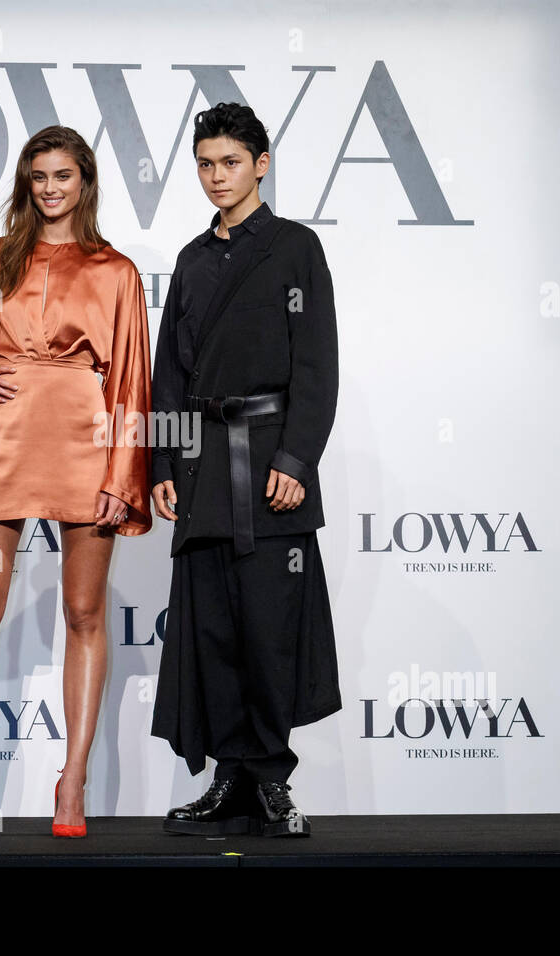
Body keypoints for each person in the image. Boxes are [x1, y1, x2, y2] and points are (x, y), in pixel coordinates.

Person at [0, 126, 153, 839]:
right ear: (26, 184)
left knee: (84, 614)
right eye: (39, 176)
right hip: (9, 446)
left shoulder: (117, 272)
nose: (50, 188)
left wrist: (124, 475)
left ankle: (71, 783)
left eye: (63, 176)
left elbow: (132, 383)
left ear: (85, 183)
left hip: (85, 447)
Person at [149, 102, 340, 837]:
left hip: (268, 465)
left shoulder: (295, 249)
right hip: (200, 467)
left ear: (261, 164)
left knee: (269, 627)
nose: (216, 176)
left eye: (230, 162)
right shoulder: (193, 260)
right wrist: (164, 458)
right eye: (205, 164)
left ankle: (268, 782)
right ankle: (229, 779)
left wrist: (295, 457)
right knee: (213, 631)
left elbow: (316, 364)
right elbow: (169, 372)